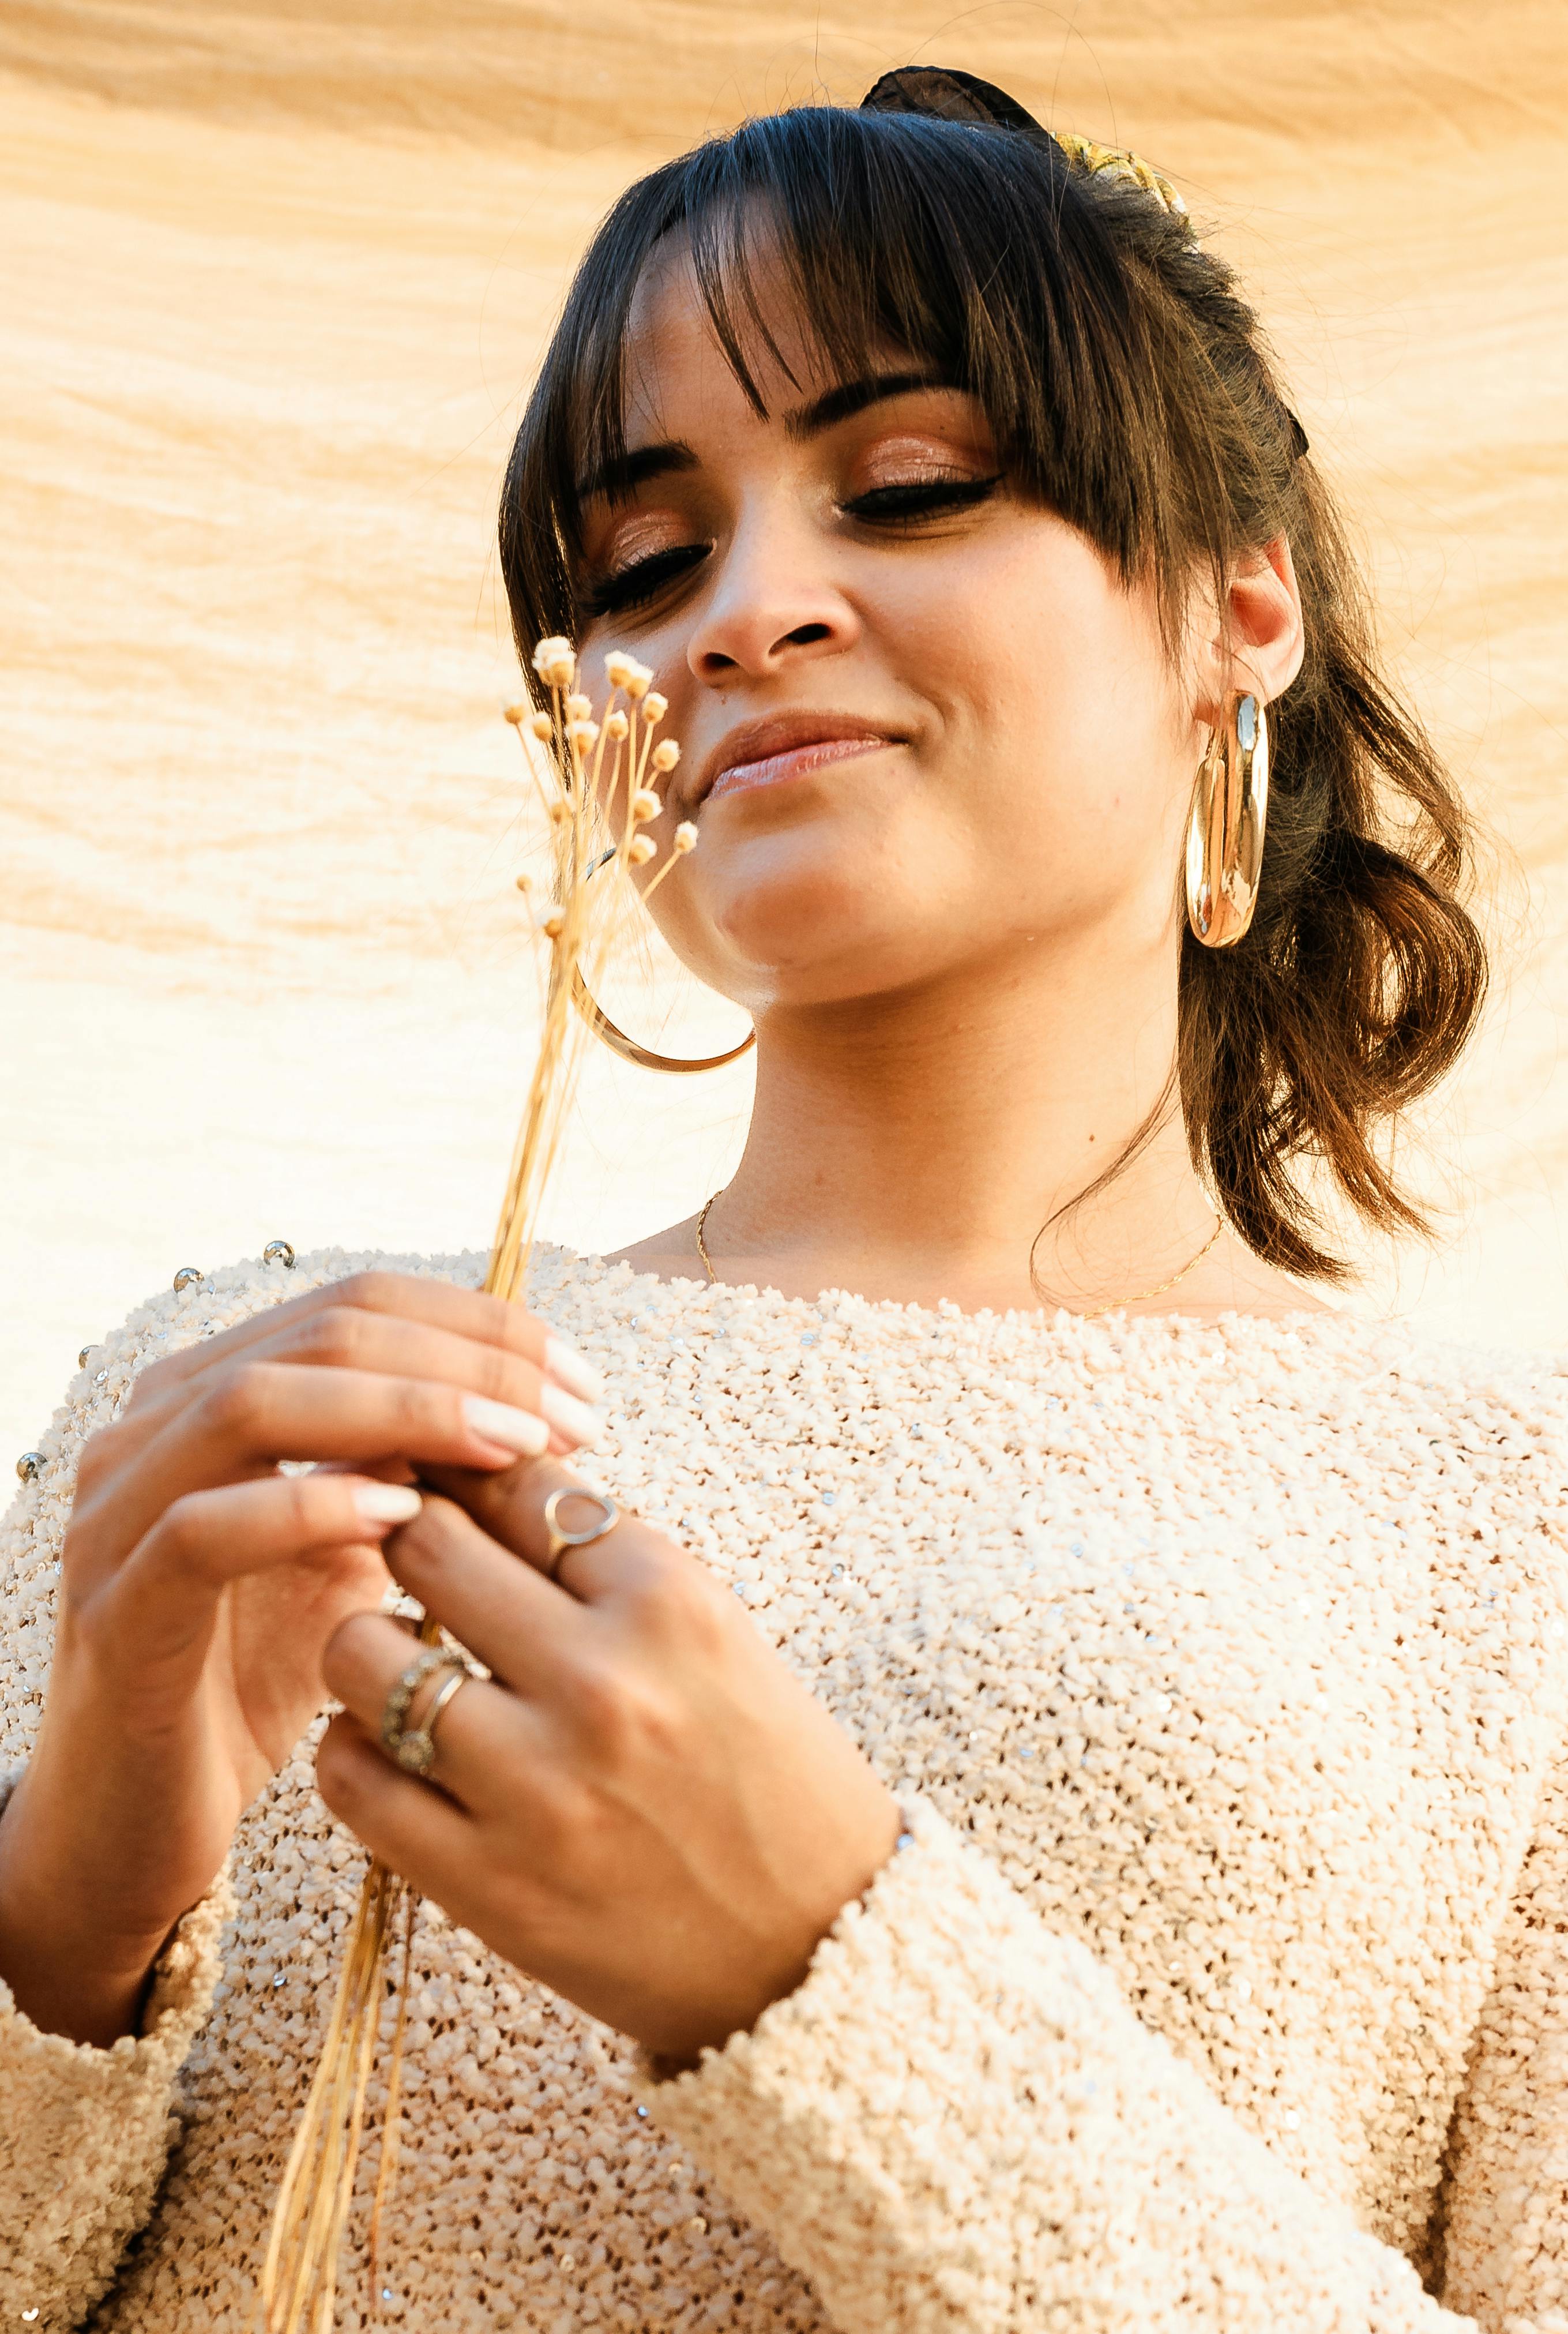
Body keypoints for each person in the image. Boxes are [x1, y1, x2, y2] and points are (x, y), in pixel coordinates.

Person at [0, 63, 1561, 2334]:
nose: (740, 613)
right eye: (644, 556)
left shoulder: (1501, 1538)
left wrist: (814, 1963)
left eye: (905, 486)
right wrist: (62, 1905)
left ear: (1238, 606)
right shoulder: (241, 1401)